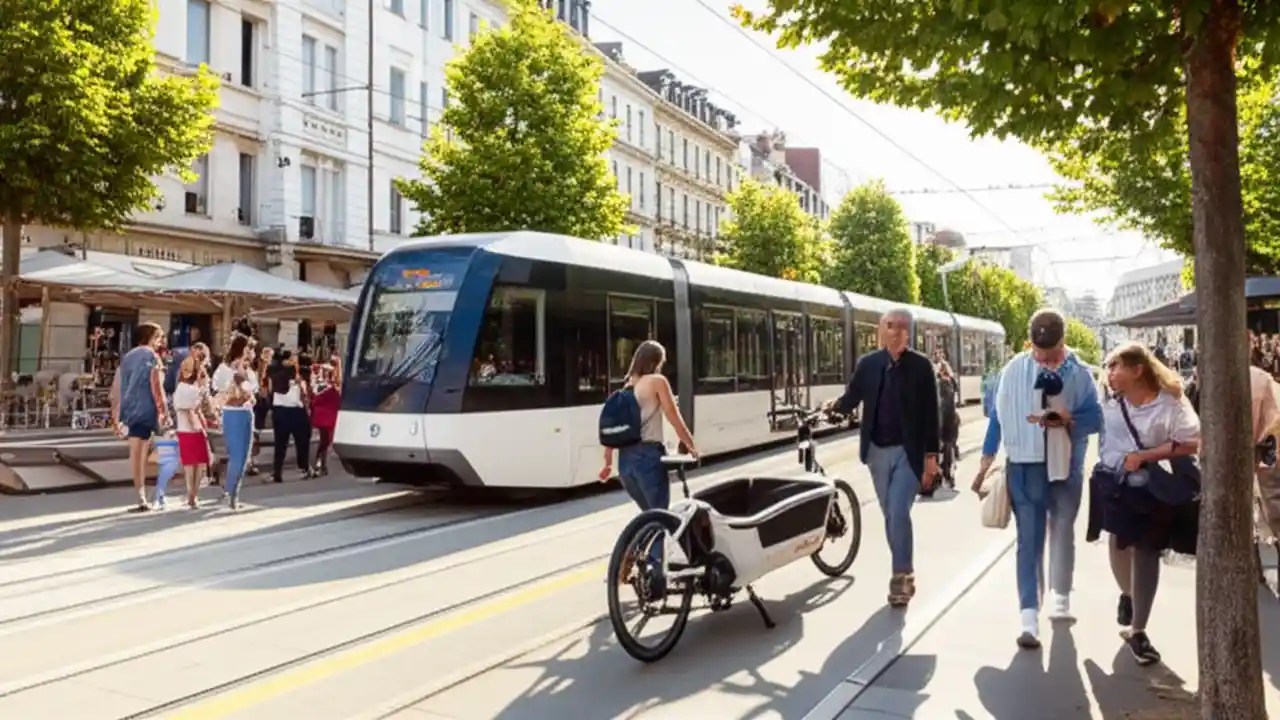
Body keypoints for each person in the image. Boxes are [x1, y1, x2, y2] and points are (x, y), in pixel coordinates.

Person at [973, 309, 1103, 649]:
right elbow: (997, 419)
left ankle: (1060, 594)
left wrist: (1069, 418)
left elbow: (1096, 416)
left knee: (1061, 532)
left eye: (1052, 352)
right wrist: (985, 462)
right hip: (1025, 467)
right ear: (1031, 343)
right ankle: (1028, 616)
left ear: (1063, 342)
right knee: (1028, 540)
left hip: (1066, 466)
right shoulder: (1013, 370)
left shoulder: (1079, 373)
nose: (1046, 360)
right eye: (1040, 353)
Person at [1088, 342, 1201, 665]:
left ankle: (1139, 630)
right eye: (1108, 367)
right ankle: (1127, 595)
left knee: (1147, 550)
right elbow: (1086, 420)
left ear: (1138, 370)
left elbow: (1195, 442)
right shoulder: (1108, 400)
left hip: (1153, 483)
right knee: (1118, 542)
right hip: (1115, 481)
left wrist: (1146, 456)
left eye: (1116, 366)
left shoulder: (1171, 402)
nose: (1109, 373)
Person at [822, 308, 940, 608]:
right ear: (880, 330)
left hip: (908, 453)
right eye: (890, 325)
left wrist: (930, 457)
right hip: (876, 451)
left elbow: (931, 414)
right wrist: (833, 406)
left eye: (902, 327)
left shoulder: (921, 366)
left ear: (909, 333)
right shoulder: (868, 364)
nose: (896, 331)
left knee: (898, 512)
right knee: (890, 515)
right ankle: (905, 570)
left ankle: (901, 575)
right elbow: (852, 399)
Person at [598, 341, 698, 585]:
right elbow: (674, 418)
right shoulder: (657, 382)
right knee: (660, 519)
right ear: (656, 361)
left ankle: (629, 555)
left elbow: (614, 430)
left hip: (626, 464)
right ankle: (655, 579)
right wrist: (692, 446)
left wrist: (608, 463)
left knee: (649, 517)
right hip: (648, 458)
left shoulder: (627, 386)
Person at [109, 322, 169, 513]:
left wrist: (116, 414)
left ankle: (141, 496)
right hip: (147, 408)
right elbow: (156, 385)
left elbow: (118, 387)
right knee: (146, 453)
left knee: (136, 454)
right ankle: (151, 495)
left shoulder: (127, 357)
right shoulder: (152, 356)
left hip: (130, 410)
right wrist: (164, 410)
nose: (160, 341)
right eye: (158, 337)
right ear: (150, 337)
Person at [212, 334, 256, 505]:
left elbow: (253, 390)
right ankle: (228, 493)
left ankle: (234, 494)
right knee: (236, 456)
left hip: (247, 413)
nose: (252, 352)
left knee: (245, 456)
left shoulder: (249, 370)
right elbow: (220, 391)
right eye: (249, 348)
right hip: (233, 413)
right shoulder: (225, 369)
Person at [172, 355, 212, 509]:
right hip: (195, 428)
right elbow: (196, 407)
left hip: (184, 429)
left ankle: (191, 495)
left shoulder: (181, 388)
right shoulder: (194, 389)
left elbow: (180, 407)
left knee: (190, 464)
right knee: (199, 464)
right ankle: (193, 495)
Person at [269, 350, 315, 483]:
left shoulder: (275, 374)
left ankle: (278, 471)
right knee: (302, 442)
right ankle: (305, 468)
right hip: (296, 411)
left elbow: (271, 391)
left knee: (280, 444)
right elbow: (303, 394)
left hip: (280, 411)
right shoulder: (296, 375)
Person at [310, 351, 342, 476]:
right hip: (327, 417)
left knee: (325, 441)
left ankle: (321, 464)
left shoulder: (321, 385)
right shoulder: (327, 386)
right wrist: (338, 365)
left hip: (324, 416)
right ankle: (319, 464)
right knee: (325, 441)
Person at [934, 360, 961, 492]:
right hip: (947, 421)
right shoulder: (949, 383)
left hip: (943, 421)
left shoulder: (940, 384)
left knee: (945, 449)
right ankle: (947, 476)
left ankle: (944, 475)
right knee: (948, 448)